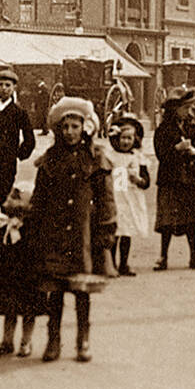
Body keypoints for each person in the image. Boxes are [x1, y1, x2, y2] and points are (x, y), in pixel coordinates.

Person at [27, 97, 115, 362]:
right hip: (53, 232)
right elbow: (39, 197)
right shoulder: (50, 160)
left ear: (84, 128)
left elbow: (106, 198)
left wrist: (107, 229)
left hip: (82, 233)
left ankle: (83, 340)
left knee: (81, 289)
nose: (69, 132)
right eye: (65, 127)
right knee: (54, 290)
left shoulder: (95, 158)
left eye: (75, 126)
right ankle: (53, 341)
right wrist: (32, 225)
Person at [0, 182, 46, 357]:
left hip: (29, 274)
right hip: (7, 274)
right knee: (10, 309)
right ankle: (7, 341)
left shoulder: (34, 228)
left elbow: (41, 248)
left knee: (28, 311)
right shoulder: (2, 226)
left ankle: (25, 342)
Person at [152, 87, 195, 271]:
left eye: (189, 107)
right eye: (185, 108)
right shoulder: (163, 130)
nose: (188, 111)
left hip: (191, 177)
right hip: (171, 178)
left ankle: (194, 257)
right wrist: (176, 149)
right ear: (174, 109)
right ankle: (163, 257)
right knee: (168, 220)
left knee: (192, 218)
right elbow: (161, 154)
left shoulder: (193, 128)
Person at [0, 67, 36, 232]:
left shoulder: (19, 112)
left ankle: (5, 235)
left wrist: (19, 154)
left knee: (5, 199)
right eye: (1, 84)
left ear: (14, 88)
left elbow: (29, 138)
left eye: (8, 85)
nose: (4, 88)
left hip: (7, 164)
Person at [105, 113, 151, 276]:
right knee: (115, 232)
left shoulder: (138, 157)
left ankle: (124, 263)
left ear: (135, 139)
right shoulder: (111, 157)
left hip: (131, 199)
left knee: (127, 232)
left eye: (129, 138)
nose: (126, 142)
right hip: (116, 198)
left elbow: (146, 182)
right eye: (123, 138)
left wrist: (138, 179)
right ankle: (112, 263)